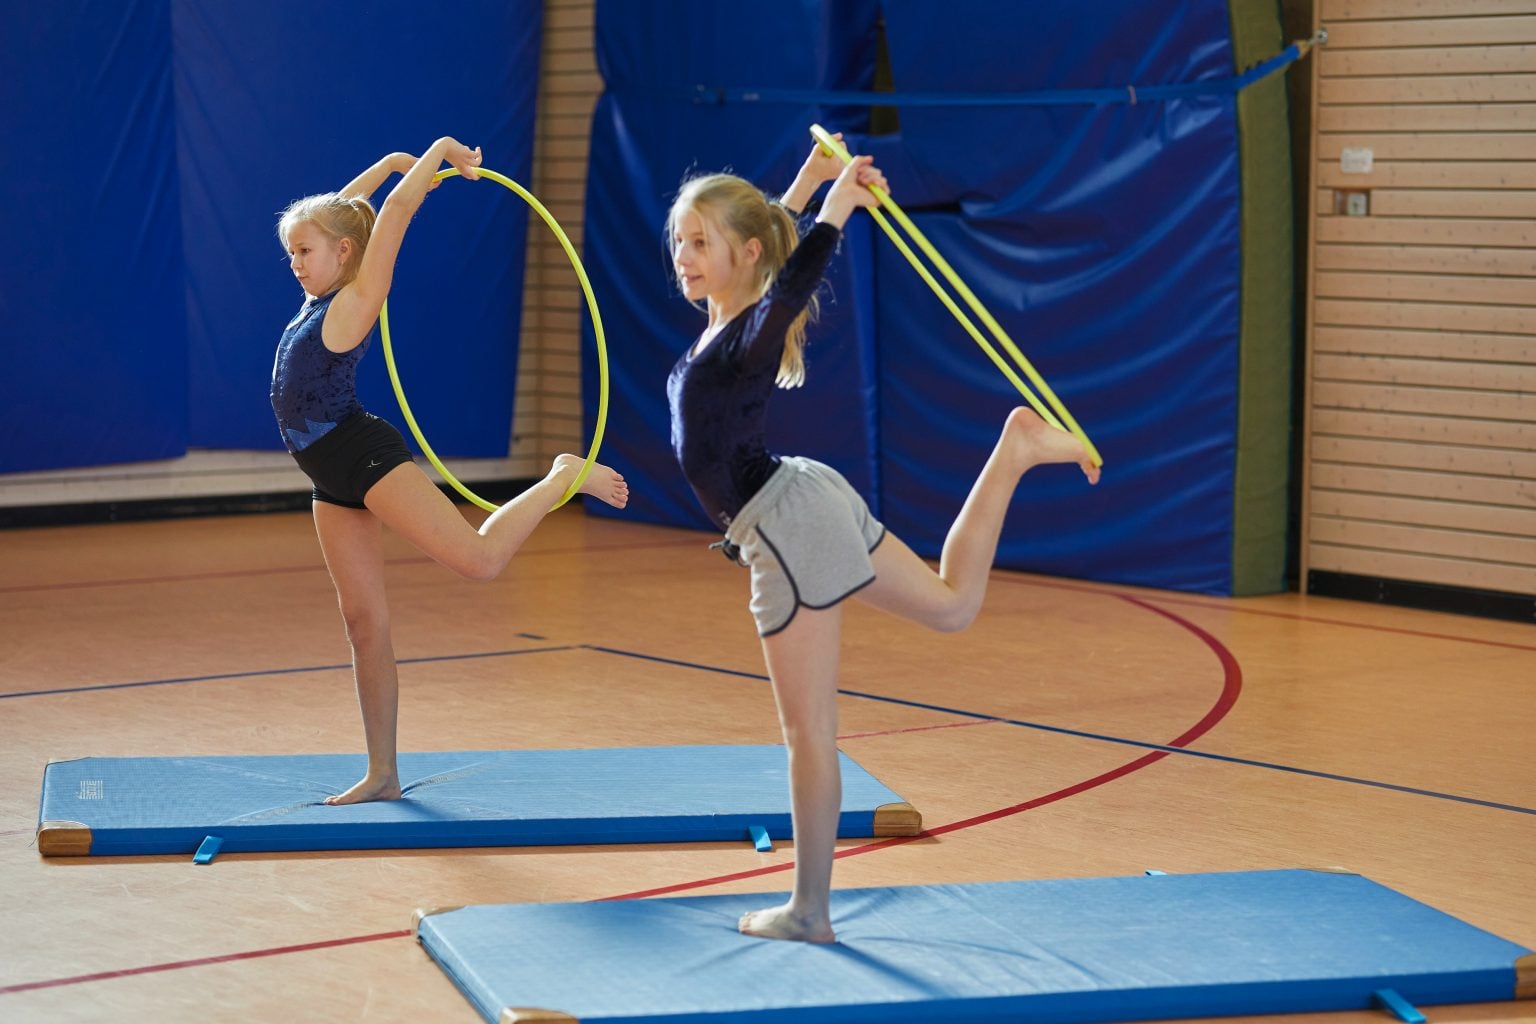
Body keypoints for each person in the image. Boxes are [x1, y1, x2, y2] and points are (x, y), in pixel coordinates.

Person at [665, 137, 1099, 943]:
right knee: (953, 605)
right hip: (803, 500)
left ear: (743, 255)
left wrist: (836, 210)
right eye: (680, 241)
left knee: (809, 735)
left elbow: (786, 284)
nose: (683, 257)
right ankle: (1013, 452)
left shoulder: (748, 338)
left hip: (786, 530)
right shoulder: (726, 326)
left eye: (700, 243)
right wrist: (805, 187)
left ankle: (809, 911)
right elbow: (769, 251)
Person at [272, 137, 628, 805]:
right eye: (290, 252)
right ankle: (383, 772)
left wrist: (436, 153)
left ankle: (560, 476)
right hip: (328, 476)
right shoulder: (318, 295)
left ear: (343, 253)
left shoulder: (356, 298)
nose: (294, 263)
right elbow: (344, 211)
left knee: (480, 561)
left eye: (303, 252)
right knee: (363, 622)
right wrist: (388, 164)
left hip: (360, 454)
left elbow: (390, 216)